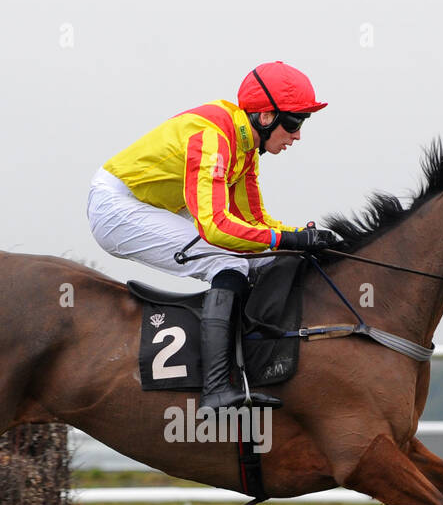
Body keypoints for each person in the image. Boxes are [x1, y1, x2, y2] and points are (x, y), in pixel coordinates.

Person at [88, 61, 340, 409]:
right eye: (294, 122)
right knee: (228, 262)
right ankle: (217, 388)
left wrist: (305, 236)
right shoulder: (213, 139)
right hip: (116, 206)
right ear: (266, 117)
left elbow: (254, 220)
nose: (297, 135)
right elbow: (217, 227)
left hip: (152, 205)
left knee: (252, 257)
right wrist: (286, 241)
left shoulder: (246, 147)